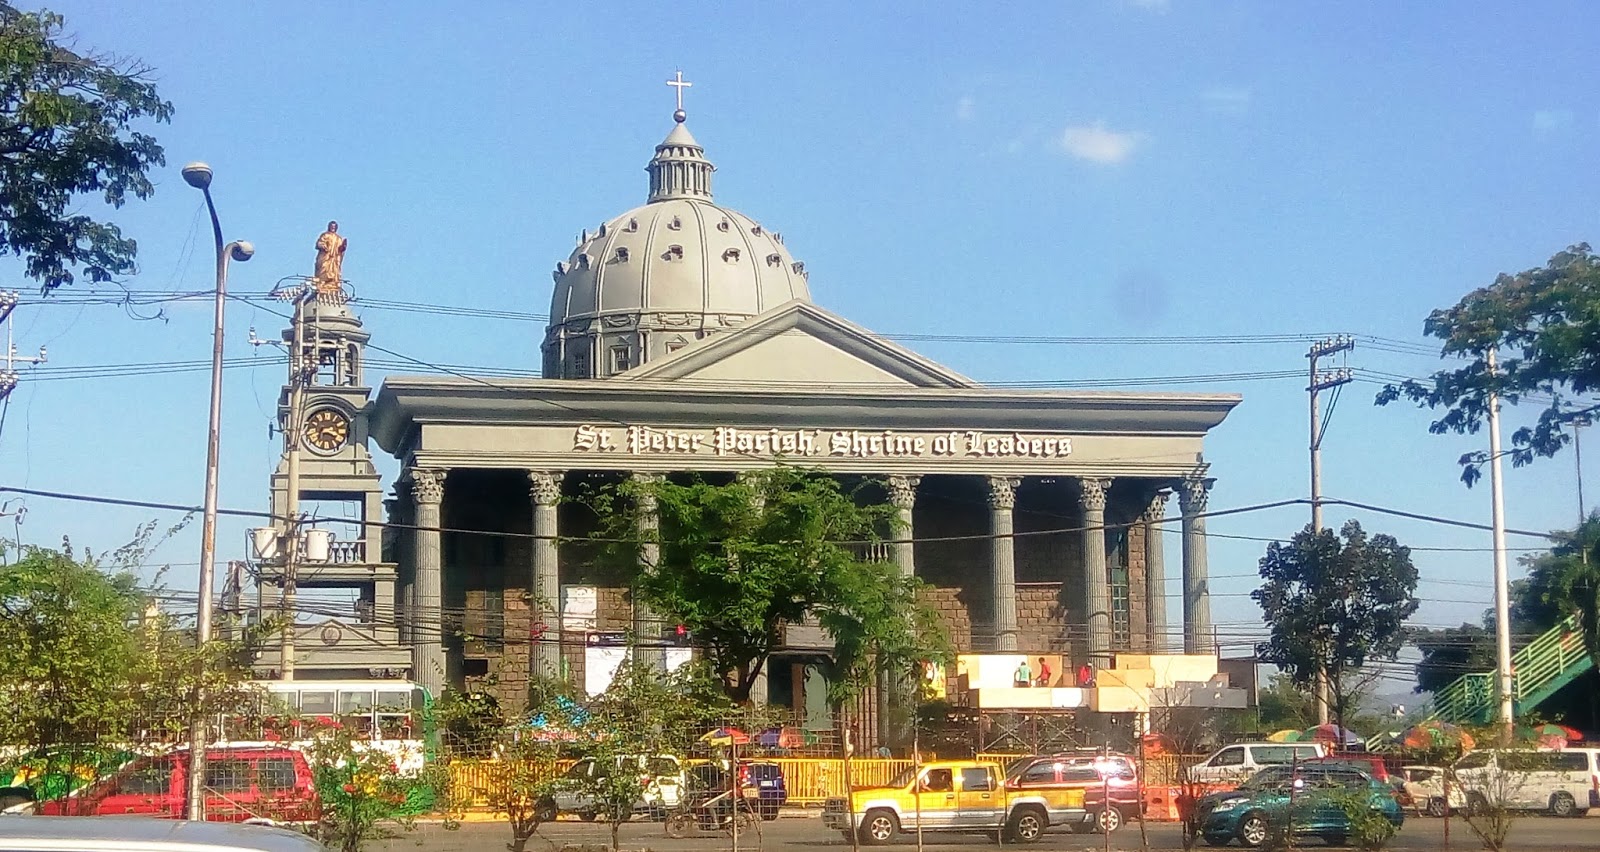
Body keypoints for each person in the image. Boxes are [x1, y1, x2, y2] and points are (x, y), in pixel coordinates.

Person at [313, 220, 348, 293]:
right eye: (331, 226)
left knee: (334, 271)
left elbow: (340, 250)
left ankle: (333, 284)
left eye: (334, 227)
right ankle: (322, 282)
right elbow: (319, 243)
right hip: (326, 256)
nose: (333, 228)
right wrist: (323, 246)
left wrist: (343, 246)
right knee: (324, 268)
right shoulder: (325, 235)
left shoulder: (339, 238)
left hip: (334, 258)